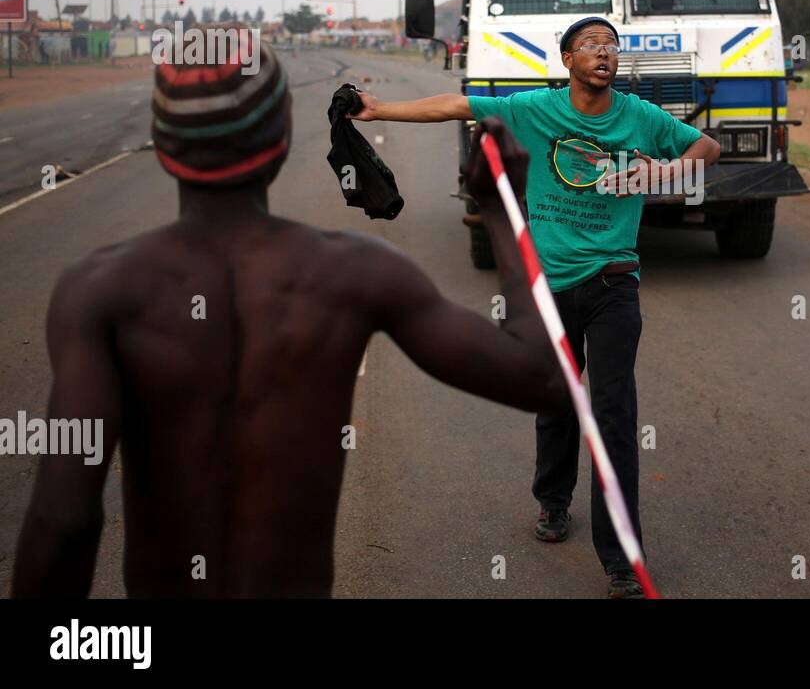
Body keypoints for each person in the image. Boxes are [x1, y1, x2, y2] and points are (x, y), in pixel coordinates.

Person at [12, 41, 563, 598]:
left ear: (162, 146)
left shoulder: (97, 289)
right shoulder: (356, 272)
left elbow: (65, 519)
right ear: (281, 137)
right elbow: (541, 376)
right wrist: (500, 209)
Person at [349, 16, 721, 598]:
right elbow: (455, 105)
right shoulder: (534, 109)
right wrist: (380, 111)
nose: (605, 52)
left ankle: (622, 558)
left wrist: (669, 168)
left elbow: (709, 145)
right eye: (590, 45)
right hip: (551, 287)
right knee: (557, 397)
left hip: (614, 283)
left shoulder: (640, 117)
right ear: (568, 59)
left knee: (614, 415)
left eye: (612, 45)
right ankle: (553, 501)